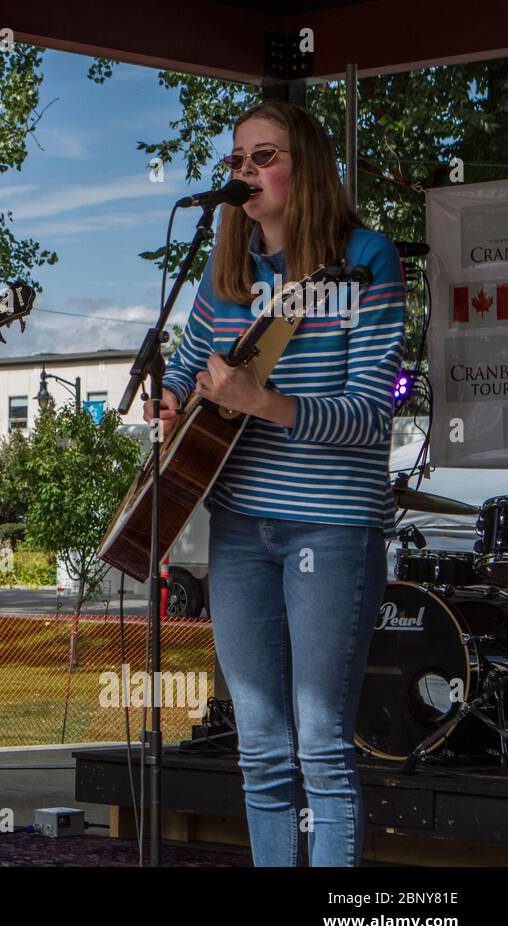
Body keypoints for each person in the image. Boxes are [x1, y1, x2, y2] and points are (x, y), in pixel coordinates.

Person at [148, 101, 406, 866]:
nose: (247, 173)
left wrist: (263, 402)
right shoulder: (227, 269)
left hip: (331, 525)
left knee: (322, 741)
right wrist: (173, 400)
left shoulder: (365, 259)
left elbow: (369, 418)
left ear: (309, 166)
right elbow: (191, 372)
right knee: (260, 745)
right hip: (238, 526)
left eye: (266, 157)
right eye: (237, 162)